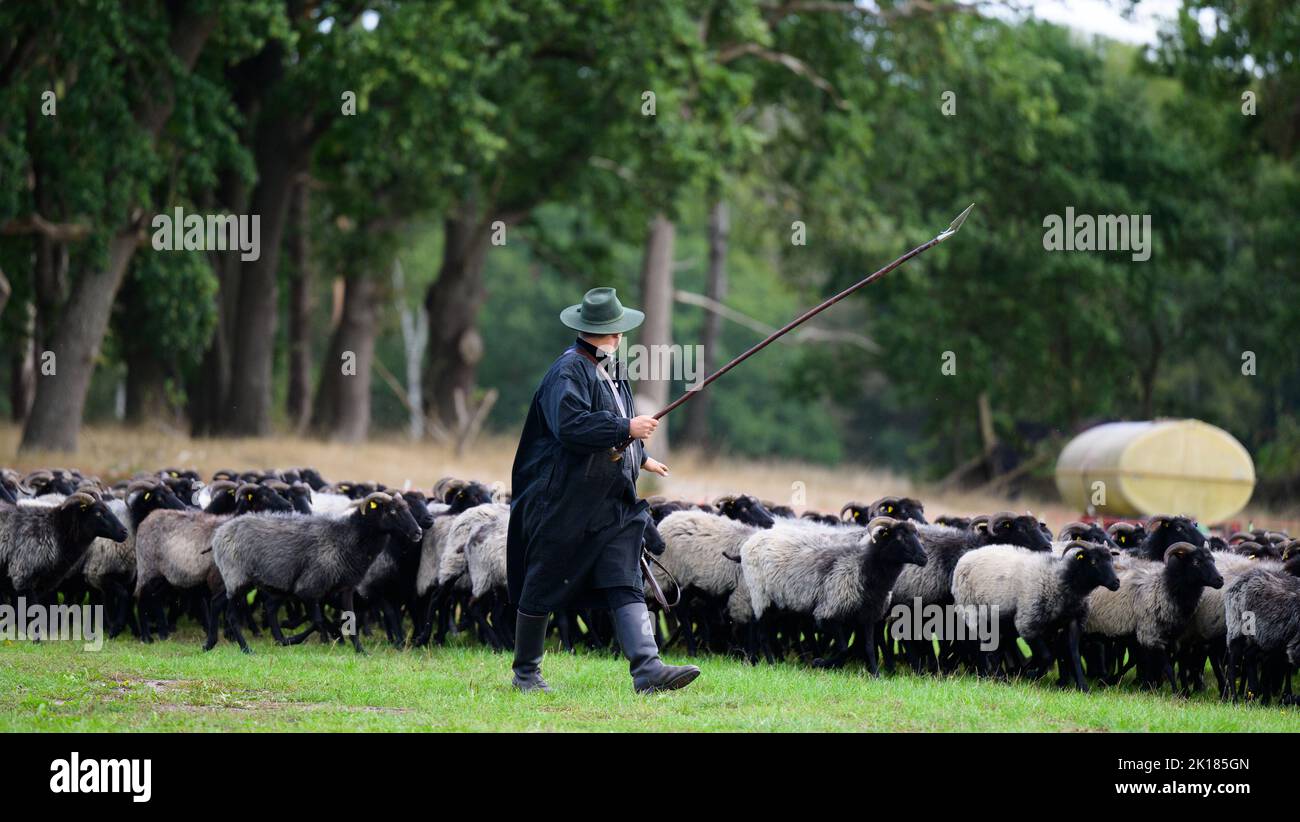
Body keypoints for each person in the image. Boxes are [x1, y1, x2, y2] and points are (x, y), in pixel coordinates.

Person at [505, 287, 701, 694]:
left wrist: (640, 455)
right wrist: (626, 429)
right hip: (562, 503)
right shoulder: (567, 371)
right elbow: (571, 426)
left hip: (610, 502)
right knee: (542, 581)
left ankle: (647, 669)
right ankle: (526, 673)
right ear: (612, 333)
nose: (622, 336)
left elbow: (615, 424)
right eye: (619, 331)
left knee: (622, 576)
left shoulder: (610, 369)